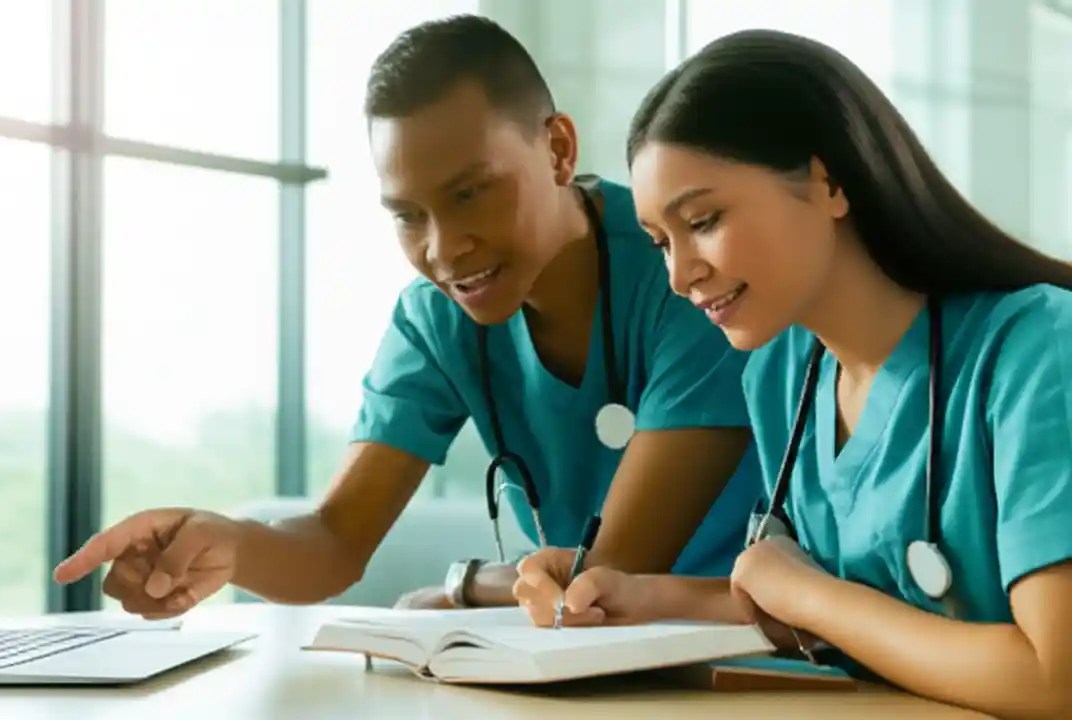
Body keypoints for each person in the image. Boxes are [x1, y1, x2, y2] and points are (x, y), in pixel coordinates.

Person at [53, 15, 760, 616]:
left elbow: (611, 580)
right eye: (407, 216)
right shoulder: (436, 319)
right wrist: (224, 543)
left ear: (558, 150)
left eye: (471, 195)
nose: (445, 250)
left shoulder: (686, 277)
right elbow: (333, 543)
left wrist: (466, 586)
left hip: (748, 668)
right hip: (581, 663)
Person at [513, 29, 1072, 719]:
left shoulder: (1036, 349)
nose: (681, 275)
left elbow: (1055, 676)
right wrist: (639, 593)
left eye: (705, 220)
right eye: (661, 243)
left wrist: (807, 595)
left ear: (829, 181)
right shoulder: (782, 378)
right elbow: (838, 604)